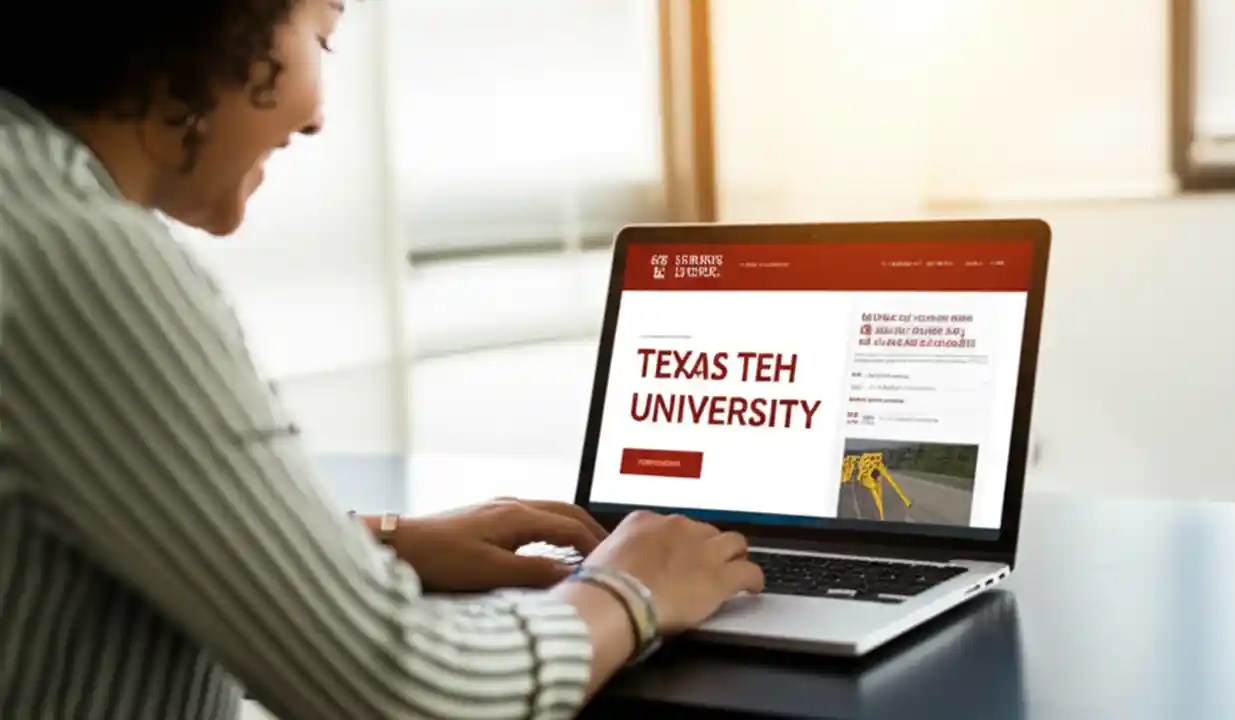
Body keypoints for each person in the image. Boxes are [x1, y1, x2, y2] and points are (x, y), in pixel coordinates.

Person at [0, 1, 764, 718]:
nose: (319, 114)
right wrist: (630, 589)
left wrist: (380, 541)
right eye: (322, 34)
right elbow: (400, 690)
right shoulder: (81, 261)